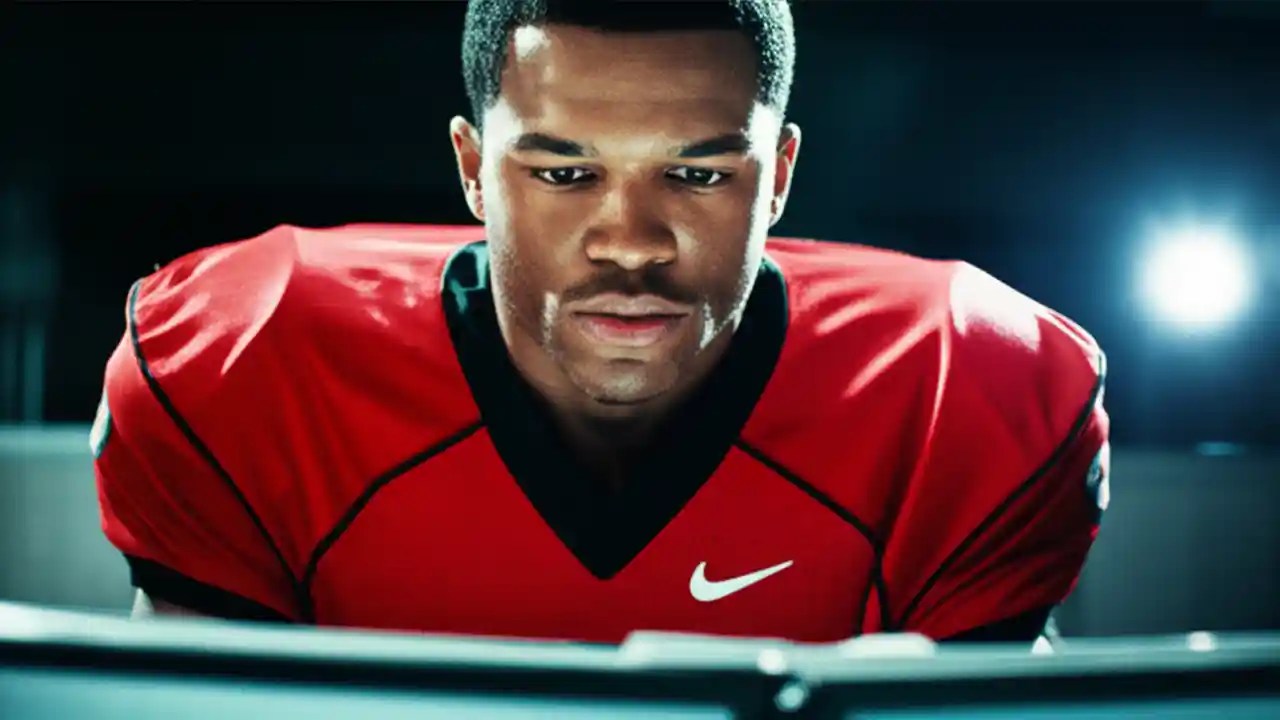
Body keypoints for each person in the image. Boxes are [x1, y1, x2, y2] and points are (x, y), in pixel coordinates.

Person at [92, 0, 1109, 645]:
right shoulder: (253, 367)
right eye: (566, 173)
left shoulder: (957, 391)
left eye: (697, 173)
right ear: (469, 169)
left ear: (780, 178)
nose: (629, 242)